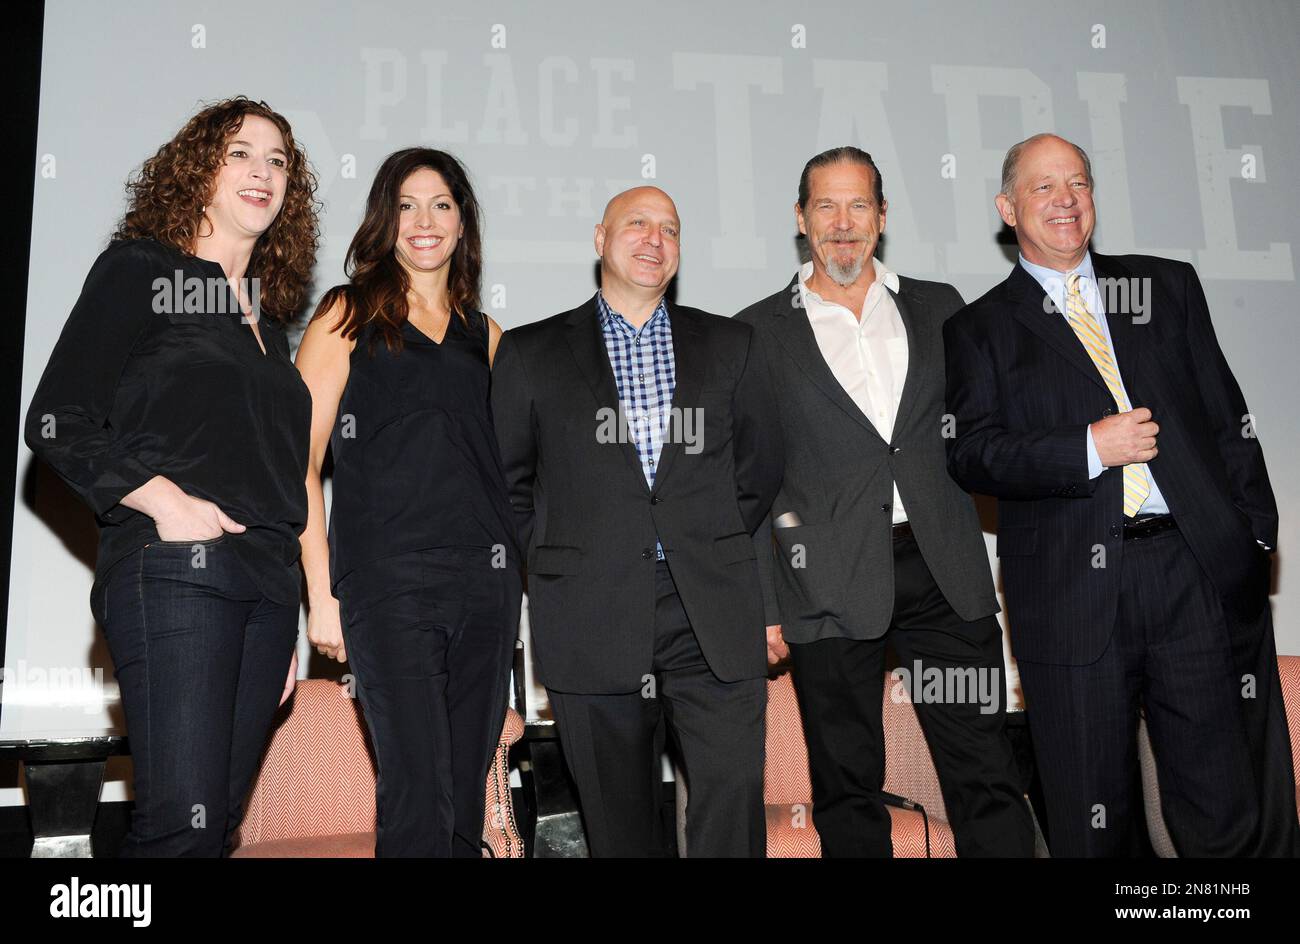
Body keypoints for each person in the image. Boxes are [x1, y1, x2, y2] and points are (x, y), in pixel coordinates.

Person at [944, 132, 1299, 856]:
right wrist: (1087, 448)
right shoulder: (976, 327)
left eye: (1078, 183)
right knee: (1090, 815)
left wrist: (1253, 532)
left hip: (1190, 572)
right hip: (1069, 591)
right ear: (1007, 208)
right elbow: (970, 451)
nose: (1066, 200)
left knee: (1222, 808)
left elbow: (1228, 415)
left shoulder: (1165, 286)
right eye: (1044, 188)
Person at [24, 97, 319, 856]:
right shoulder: (141, 268)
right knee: (176, 831)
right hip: (175, 571)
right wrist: (164, 500)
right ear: (198, 171)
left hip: (265, 591)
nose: (263, 172)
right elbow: (55, 418)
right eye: (240, 154)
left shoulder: (267, 325)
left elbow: (274, 472)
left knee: (214, 829)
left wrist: (282, 614)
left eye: (278, 160)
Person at [736, 146, 1034, 857]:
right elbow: (748, 482)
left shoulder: (941, 307)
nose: (844, 223)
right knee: (847, 789)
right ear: (801, 219)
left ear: (883, 217)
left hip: (945, 573)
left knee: (986, 773)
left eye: (859, 205)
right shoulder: (752, 333)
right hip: (825, 582)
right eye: (827, 206)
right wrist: (764, 604)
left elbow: (989, 432)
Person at [491, 186, 783, 857]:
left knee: (731, 810)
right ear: (600, 238)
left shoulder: (732, 343)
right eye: (638, 224)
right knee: (619, 828)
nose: (655, 239)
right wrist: (567, 554)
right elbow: (509, 485)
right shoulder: (531, 352)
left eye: (670, 229)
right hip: (590, 615)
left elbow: (761, 468)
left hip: (712, 609)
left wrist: (701, 536)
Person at [295, 148, 521, 858]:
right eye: (406, 205)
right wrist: (320, 593)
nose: (424, 221)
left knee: (459, 796)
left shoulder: (486, 337)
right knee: (418, 793)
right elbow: (296, 461)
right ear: (383, 220)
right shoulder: (346, 314)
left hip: (485, 589)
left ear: (463, 223)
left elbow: (515, 471)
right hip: (386, 586)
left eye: (442, 205)